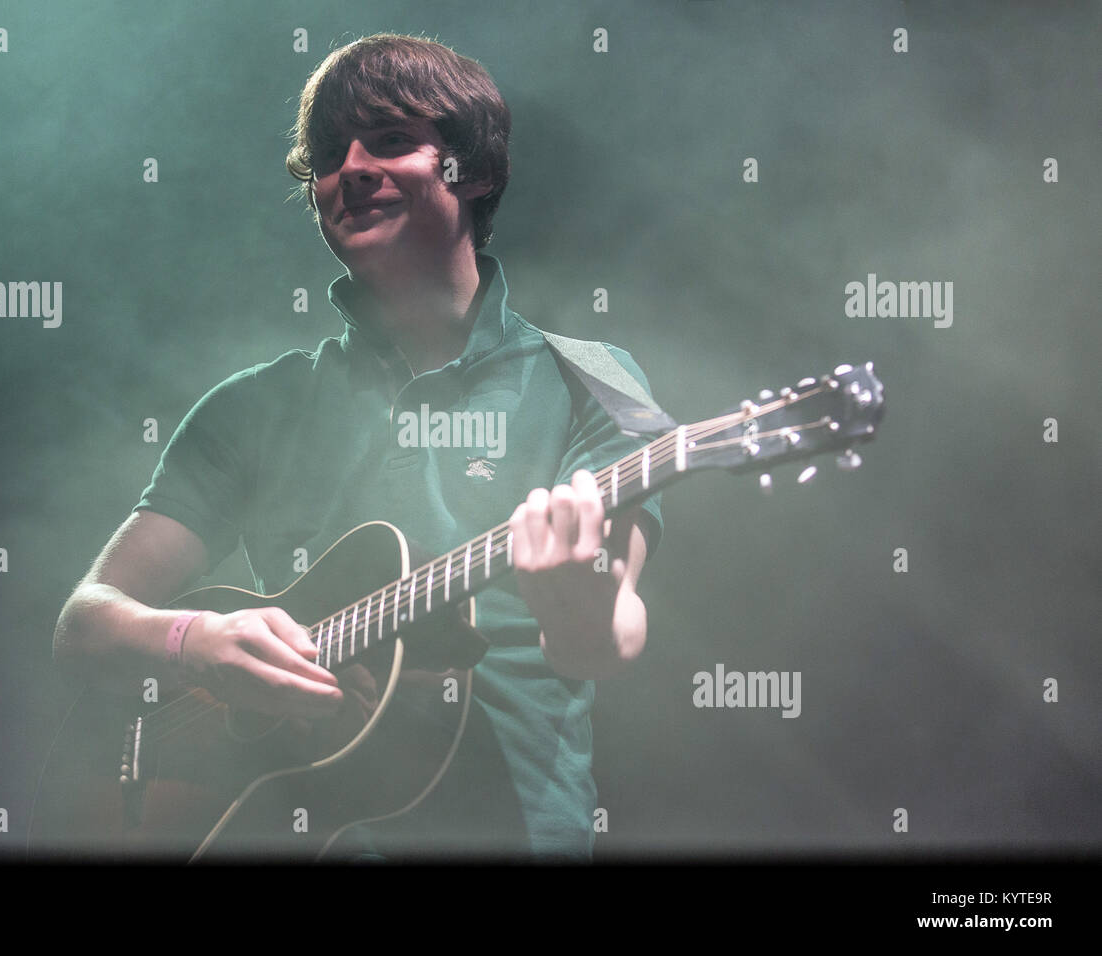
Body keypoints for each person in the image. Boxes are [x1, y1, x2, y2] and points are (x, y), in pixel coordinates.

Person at [53, 32, 664, 861]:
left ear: (474, 171)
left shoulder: (597, 378)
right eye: (327, 155)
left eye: (389, 140)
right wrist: (193, 642)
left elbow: (609, 638)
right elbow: (86, 623)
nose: (351, 169)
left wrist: (576, 598)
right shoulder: (252, 406)